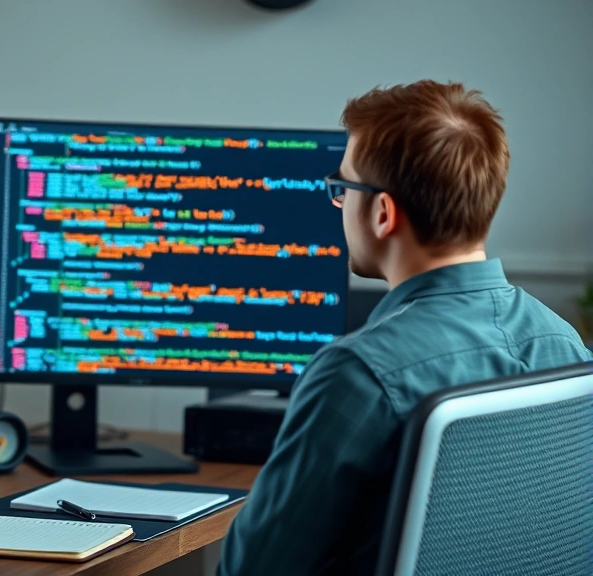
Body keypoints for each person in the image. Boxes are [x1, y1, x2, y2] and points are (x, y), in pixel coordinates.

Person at [218, 80, 592, 575]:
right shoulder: (564, 343)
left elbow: (253, 569)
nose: (339, 205)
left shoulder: (358, 374)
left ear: (382, 212)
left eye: (342, 189)